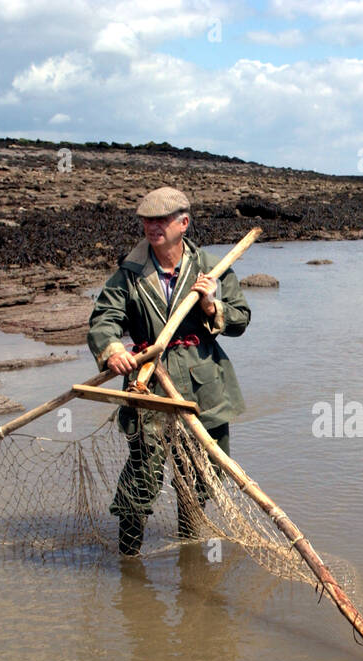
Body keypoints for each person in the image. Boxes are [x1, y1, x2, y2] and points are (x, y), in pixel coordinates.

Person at [86, 186, 251, 555]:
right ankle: (129, 559)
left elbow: (241, 318)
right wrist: (113, 350)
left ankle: (190, 562)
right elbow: (104, 319)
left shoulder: (212, 267)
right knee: (141, 480)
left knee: (199, 481)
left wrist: (212, 308)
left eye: (161, 220)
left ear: (184, 223)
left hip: (204, 388)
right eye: (146, 220)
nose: (152, 226)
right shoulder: (129, 274)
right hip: (150, 388)